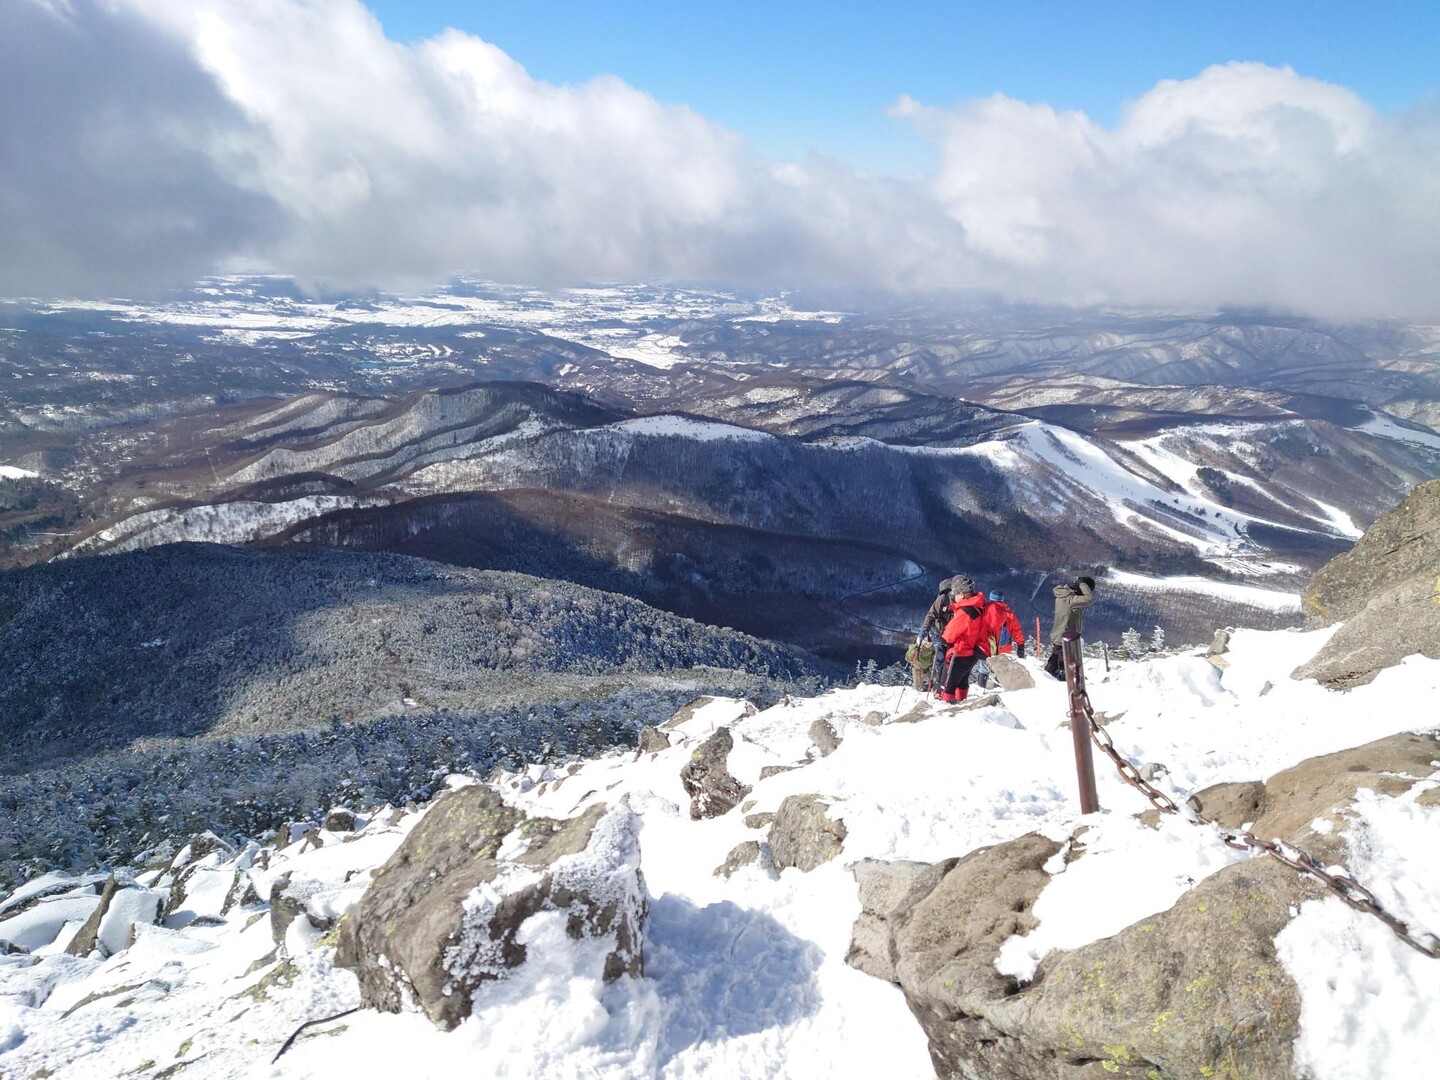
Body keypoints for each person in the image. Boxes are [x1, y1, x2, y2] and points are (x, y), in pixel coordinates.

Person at [938, 582, 989, 703]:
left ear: (961, 594)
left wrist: (942, 638)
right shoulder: (978, 607)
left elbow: (949, 635)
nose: (953, 596)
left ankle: (947, 707)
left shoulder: (965, 612)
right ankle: (962, 703)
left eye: (955, 594)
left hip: (961, 652)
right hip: (973, 652)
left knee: (950, 685)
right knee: (962, 681)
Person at [921, 574, 973, 693]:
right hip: (940, 633)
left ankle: (943, 684)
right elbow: (931, 614)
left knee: (949, 660)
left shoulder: (963, 602)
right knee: (941, 658)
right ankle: (937, 684)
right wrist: (925, 629)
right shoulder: (943, 599)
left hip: (954, 635)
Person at [1044, 576, 1096, 680]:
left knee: (1055, 658)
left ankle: (1047, 675)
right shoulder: (1070, 600)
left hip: (1060, 634)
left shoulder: (1064, 596)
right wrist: (1082, 583)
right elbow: (1089, 598)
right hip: (1065, 636)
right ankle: (1066, 678)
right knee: (1063, 661)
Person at [971, 591, 1026, 688]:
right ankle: (999, 689)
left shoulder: (984, 610)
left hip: (987, 645)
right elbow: (1017, 630)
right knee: (1001, 670)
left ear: (991, 598)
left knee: (984, 667)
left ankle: (981, 687)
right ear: (1002, 600)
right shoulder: (1008, 614)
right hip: (1003, 648)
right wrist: (1020, 646)